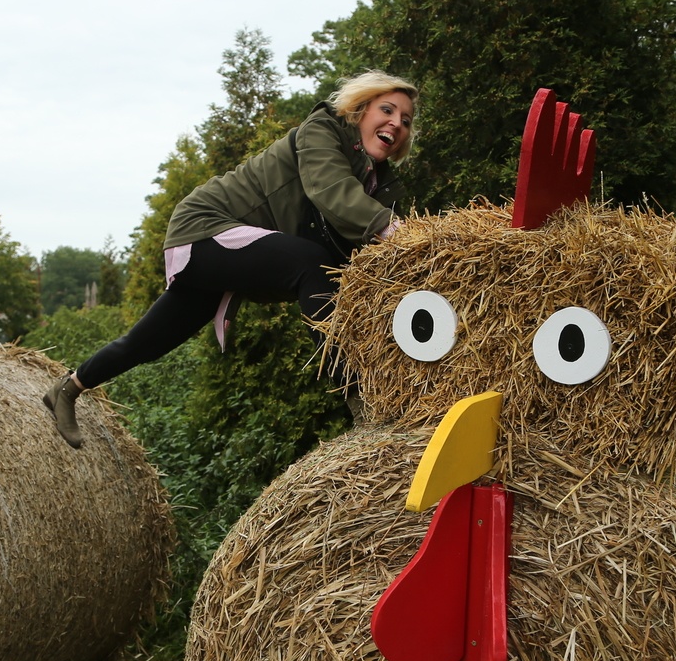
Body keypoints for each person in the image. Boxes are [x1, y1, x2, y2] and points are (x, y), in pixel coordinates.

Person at [44, 69, 418, 448]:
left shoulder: (377, 183)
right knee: (312, 261)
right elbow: (331, 191)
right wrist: (396, 230)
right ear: (359, 109)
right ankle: (359, 400)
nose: (396, 123)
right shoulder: (323, 129)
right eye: (386, 109)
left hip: (237, 251)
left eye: (405, 120)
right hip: (207, 227)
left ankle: (68, 387)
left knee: (148, 342)